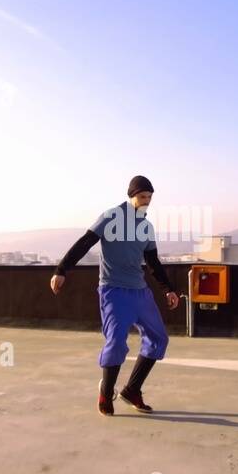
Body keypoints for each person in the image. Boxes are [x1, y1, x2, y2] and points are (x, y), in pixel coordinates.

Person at [50, 175, 180, 416]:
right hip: (114, 291)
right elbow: (85, 242)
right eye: (142, 197)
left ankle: (132, 390)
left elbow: (152, 261)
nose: (146, 202)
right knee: (116, 343)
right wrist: (61, 270)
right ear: (131, 195)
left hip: (140, 291)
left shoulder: (146, 226)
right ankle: (106, 391)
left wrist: (168, 289)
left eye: (150, 198)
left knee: (158, 338)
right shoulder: (111, 217)